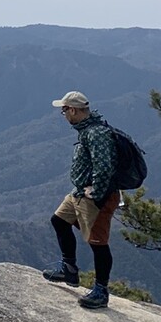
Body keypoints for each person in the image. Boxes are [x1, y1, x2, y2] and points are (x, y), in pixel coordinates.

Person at [42, 90, 120, 309]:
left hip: (97, 197)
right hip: (78, 192)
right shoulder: (87, 130)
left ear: (73, 110)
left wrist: (96, 193)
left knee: (98, 243)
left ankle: (101, 291)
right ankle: (69, 269)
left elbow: (104, 167)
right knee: (59, 220)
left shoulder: (96, 133)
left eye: (64, 110)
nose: (64, 114)